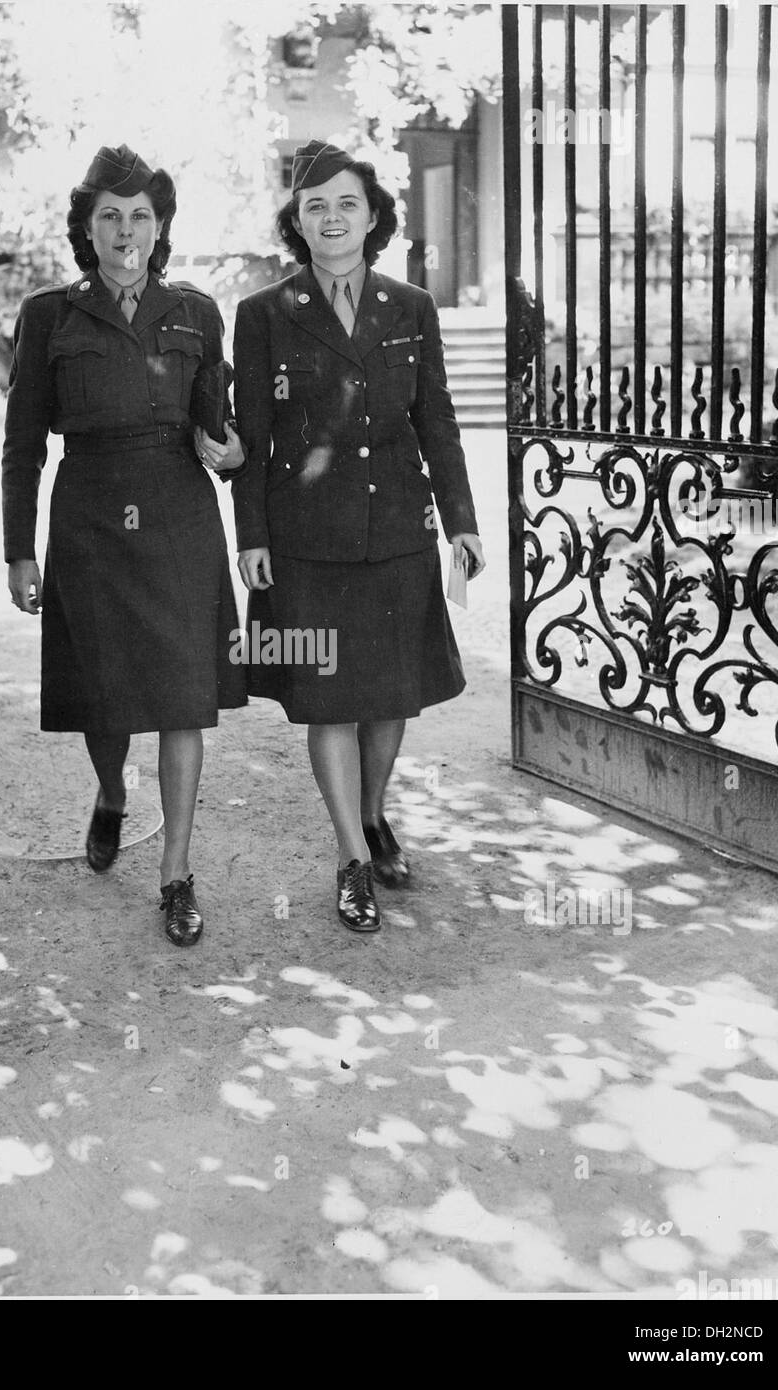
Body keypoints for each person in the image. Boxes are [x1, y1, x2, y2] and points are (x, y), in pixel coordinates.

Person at [231, 140, 486, 933]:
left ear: (372, 217)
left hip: (398, 528)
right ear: (296, 224)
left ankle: (374, 815)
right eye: (315, 207)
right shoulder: (264, 314)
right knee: (328, 703)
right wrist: (252, 534)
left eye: (346, 203)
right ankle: (350, 858)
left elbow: (434, 418)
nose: (332, 218)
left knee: (389, 696)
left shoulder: (409, 306)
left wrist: (462, 522)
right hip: (307, 538)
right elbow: (254, 434)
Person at [2, 145, 246, 946]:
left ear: (161, 225)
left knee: (184, 699)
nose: (126, 229)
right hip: (90, 518)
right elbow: (22, 446)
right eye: (109, 214)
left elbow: (221, 423)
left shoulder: (197, 313)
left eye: (141, 214)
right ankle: (111, 792)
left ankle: (175, 875)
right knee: (103, 700)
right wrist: (19, 550)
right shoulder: (49, 316)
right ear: (86, 226)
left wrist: (236, 452)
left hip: (179, 515)